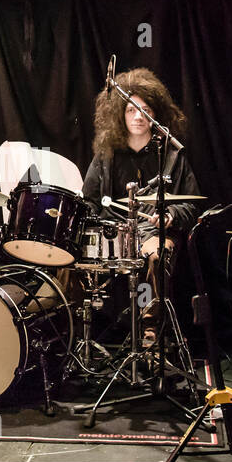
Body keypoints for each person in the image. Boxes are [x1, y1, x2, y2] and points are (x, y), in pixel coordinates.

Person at [82, 67, 200, 344]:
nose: (138, 117)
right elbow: (88, 201)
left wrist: (170, 215)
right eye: (131, 110)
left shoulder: (172, 156)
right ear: (119, 115)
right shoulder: (106, 155)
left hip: (153, 235)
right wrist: (101, 227)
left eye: (145, 110)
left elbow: (191, 206)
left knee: (157, 256)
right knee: (67, 252)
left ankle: (150, 331)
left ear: (155, 114)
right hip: (113, 234)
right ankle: (77, 336)